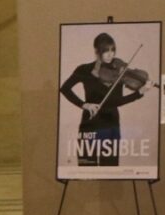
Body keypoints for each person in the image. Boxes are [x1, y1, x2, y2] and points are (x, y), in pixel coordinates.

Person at [58, 32, 145, 168]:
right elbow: (65, 88)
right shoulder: (84, 70)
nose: (111, 55)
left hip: (111, 124)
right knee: (86, 168)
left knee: (110, 170)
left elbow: (117, 101)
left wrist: (139, 93)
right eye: (106, 51)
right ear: (97, 51)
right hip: (90, 124)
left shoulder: (119, 71)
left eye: (113, 50)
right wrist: (84, 105)